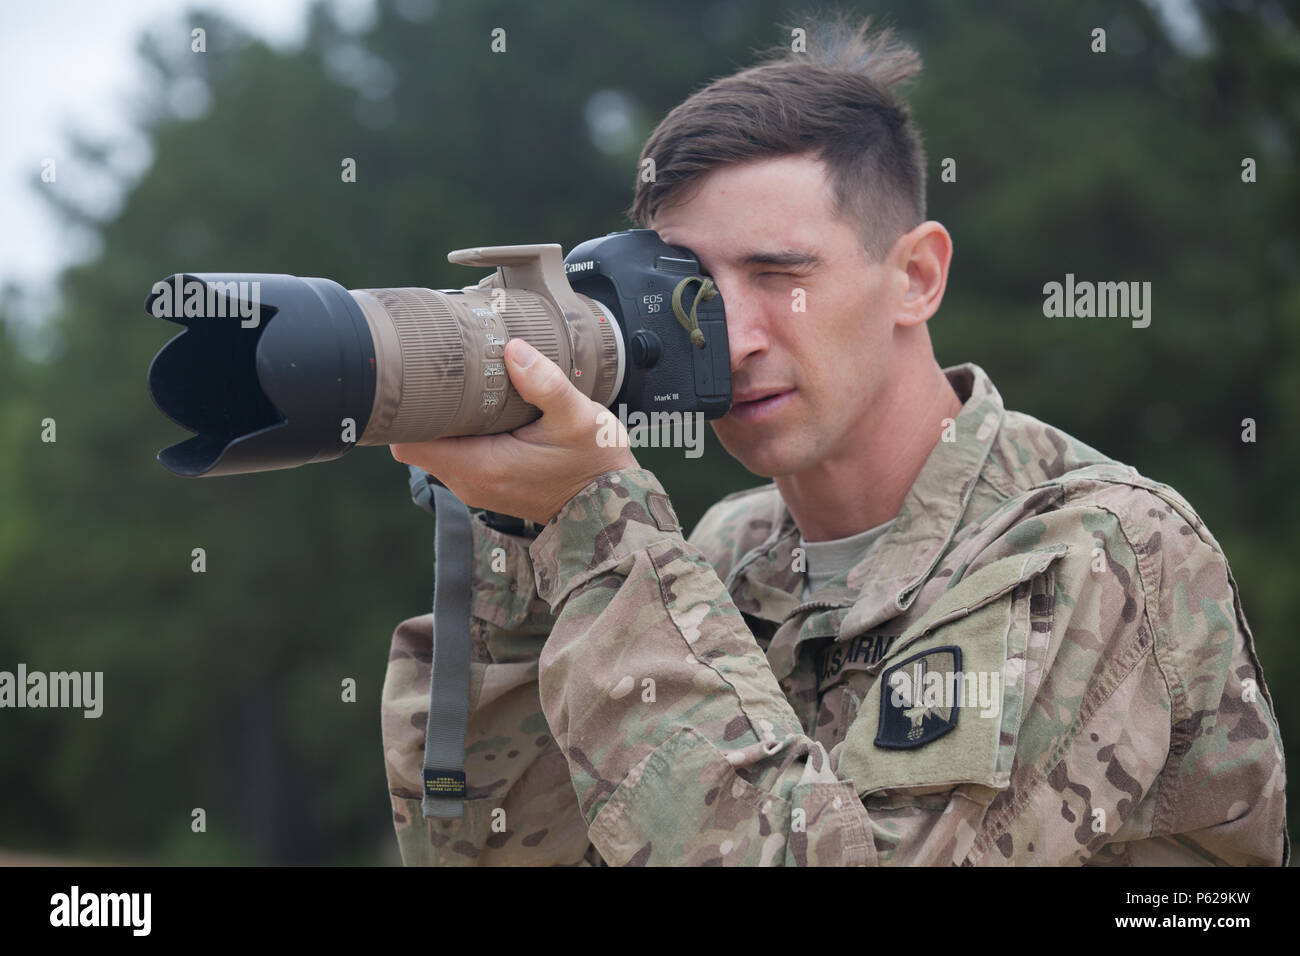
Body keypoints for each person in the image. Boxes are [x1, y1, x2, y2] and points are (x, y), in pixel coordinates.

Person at [382, 14, 1288, 866]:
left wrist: (599, 531)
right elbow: (501, 851)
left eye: (780, 275)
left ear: (916, 277)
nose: (730, 338)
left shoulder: (1095, 549)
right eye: (692, 291)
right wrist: (512, 542)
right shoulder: (727, 554)